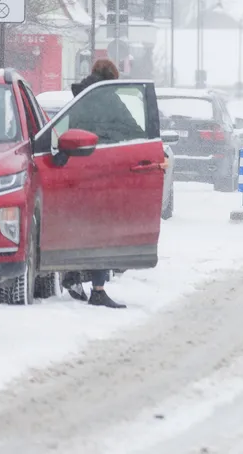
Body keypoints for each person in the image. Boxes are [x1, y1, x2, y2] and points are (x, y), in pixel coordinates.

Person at [59, 59, 140, 308]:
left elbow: (64, 129)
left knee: (82, 225)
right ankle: (97, 288)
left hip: (75, 167)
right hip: (101, 168)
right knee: (104, 228)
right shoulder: (108, 99)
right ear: (110, 79)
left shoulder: (78, 97)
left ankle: (73, 275)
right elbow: (134, 131)